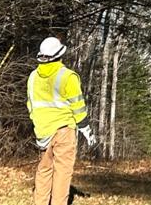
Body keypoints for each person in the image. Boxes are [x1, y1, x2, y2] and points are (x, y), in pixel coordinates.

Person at [27, 36, 96, 205]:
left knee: (44, 170)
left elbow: (31, 105)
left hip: (43, 131)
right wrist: (86, 129)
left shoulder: (33, 77)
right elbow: (78, 107)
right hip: (64, 130)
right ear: (60, 54)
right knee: (62, 172)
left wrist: (39, 123)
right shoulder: (67, 76)